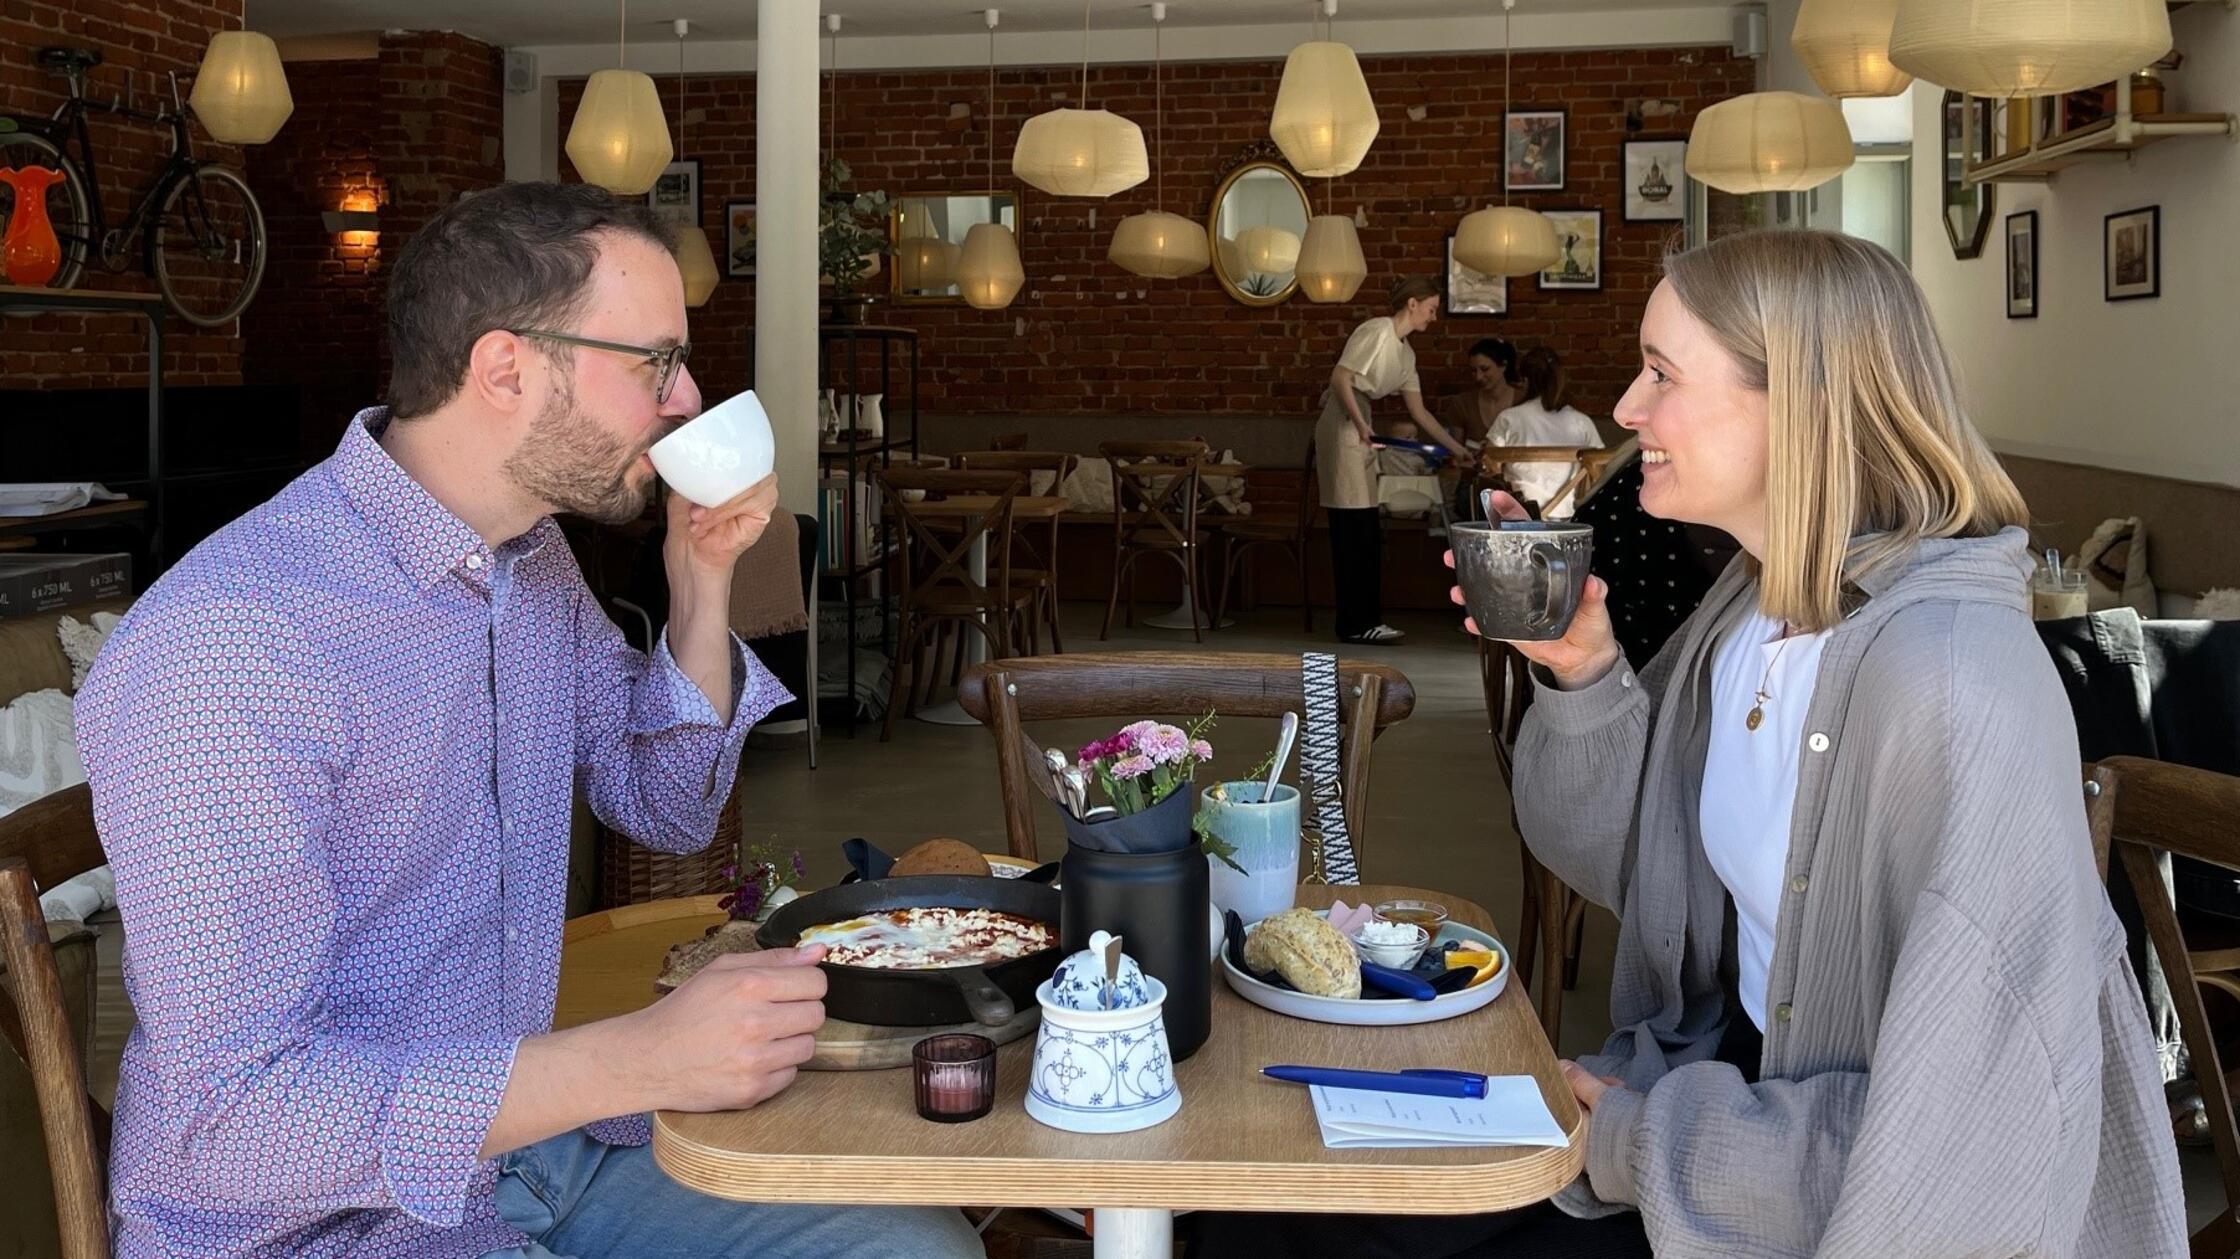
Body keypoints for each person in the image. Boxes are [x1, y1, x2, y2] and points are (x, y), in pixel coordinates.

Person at [1196, 229, 2187, 1256]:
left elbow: (1963, 1164)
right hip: (1707, 1104)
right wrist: (1583, 671)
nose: (1626, 408)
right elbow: (1640, 866)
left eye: (1661, 374)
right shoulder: (1751, 609)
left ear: (1799, 401)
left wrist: (1632, 1137)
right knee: (1263, 1197)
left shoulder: (1951, 682)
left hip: (1820, 1205)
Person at [75, 183, 986, 1259]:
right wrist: (640, 1057)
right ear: (506, 368)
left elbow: (665, 805)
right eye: (655, 360)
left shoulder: (529, 560)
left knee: (916, 1246)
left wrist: (700, 582)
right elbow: (233, 1121)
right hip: (331, 1228)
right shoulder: (232, 647)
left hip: (528, 1154)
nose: (688, 396)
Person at [1313, 276, 1471, 645]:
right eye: (1431, 309)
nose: (1433, 317)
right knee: (1353, 528)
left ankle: (1366, 620)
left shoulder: (1406, 355)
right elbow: (1340, 378)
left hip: (1360, 425)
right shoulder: (1377, 330)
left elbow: (1420, 413)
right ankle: (1355, 624)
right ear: (1412, 303)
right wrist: (1361, 425)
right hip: (1343, 422)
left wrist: (1456, 448)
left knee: (1365, 528)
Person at [1486, 345, 1601, 519]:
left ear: (1525, 380)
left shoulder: (1509, 418)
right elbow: (1599, 467)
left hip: (1518, 516)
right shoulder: (1582, 422)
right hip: (1570, 517)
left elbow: (1489, 462)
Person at [1434, 337, 1520, 449]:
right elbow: (1456, 450)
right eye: (1473, 371)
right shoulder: (1462, 404)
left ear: (1503, 366)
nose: (1478, 377)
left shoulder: (1524, 399)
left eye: (1485, 369)